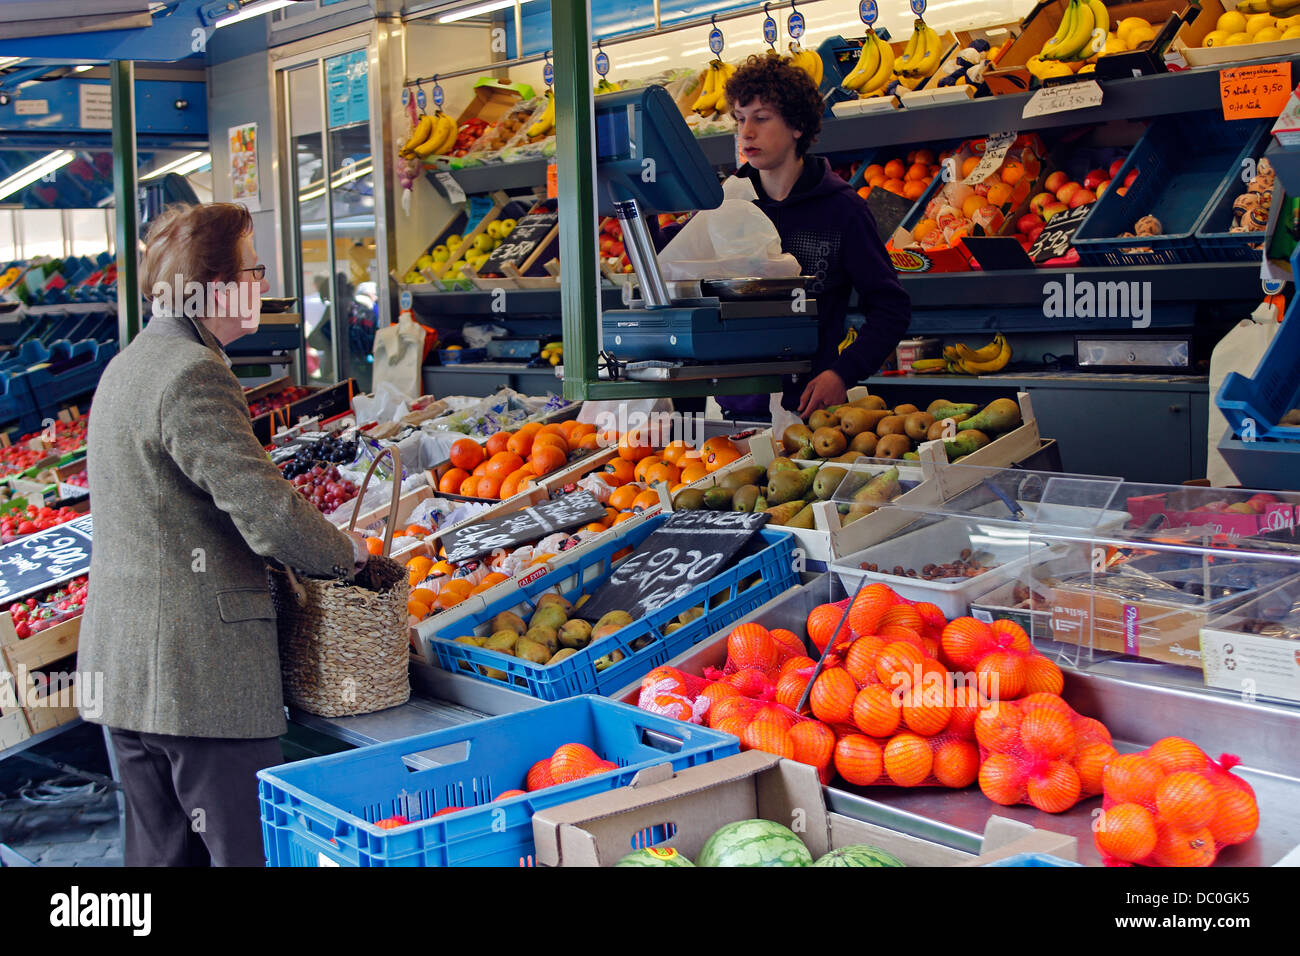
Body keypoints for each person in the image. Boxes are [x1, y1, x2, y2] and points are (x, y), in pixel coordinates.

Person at [78, 202, 372, 867]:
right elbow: (266, 513)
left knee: (158, 860)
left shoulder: (129, 365)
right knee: (244, 854)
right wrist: (344, 554)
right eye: (254, 270)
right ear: (212, 285)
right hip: (197, 680)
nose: (263, 288)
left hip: (126, 673)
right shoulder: (192, 374)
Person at [672, 54, 912, 421]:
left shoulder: (843, 209)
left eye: (761, 118)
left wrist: (843, 372)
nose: (746, 132)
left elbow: (891, 308)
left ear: (798, 126)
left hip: (808, 411)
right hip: (727, 405)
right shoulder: (723, 206)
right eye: (739, 119)